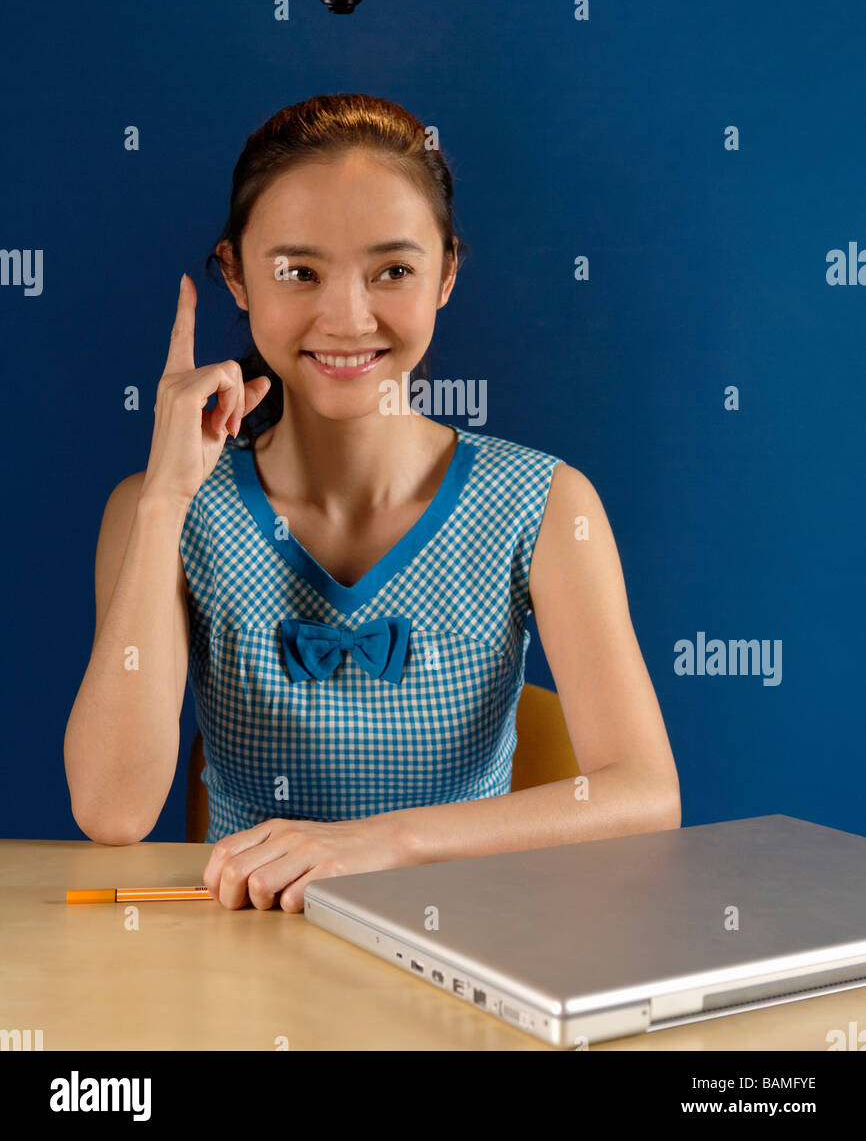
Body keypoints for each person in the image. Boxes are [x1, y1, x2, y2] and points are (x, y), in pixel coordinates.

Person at [64, 92, 680, 912]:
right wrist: (164, 501)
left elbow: (645, 794)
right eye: (299, 272)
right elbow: (112, 811)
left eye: (393, 271)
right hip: (242, 952)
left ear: (446, 273)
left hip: (467, 946)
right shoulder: (164, 510)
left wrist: (381, 844)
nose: (348, 319)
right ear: (236, 276)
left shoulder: (543, 505)